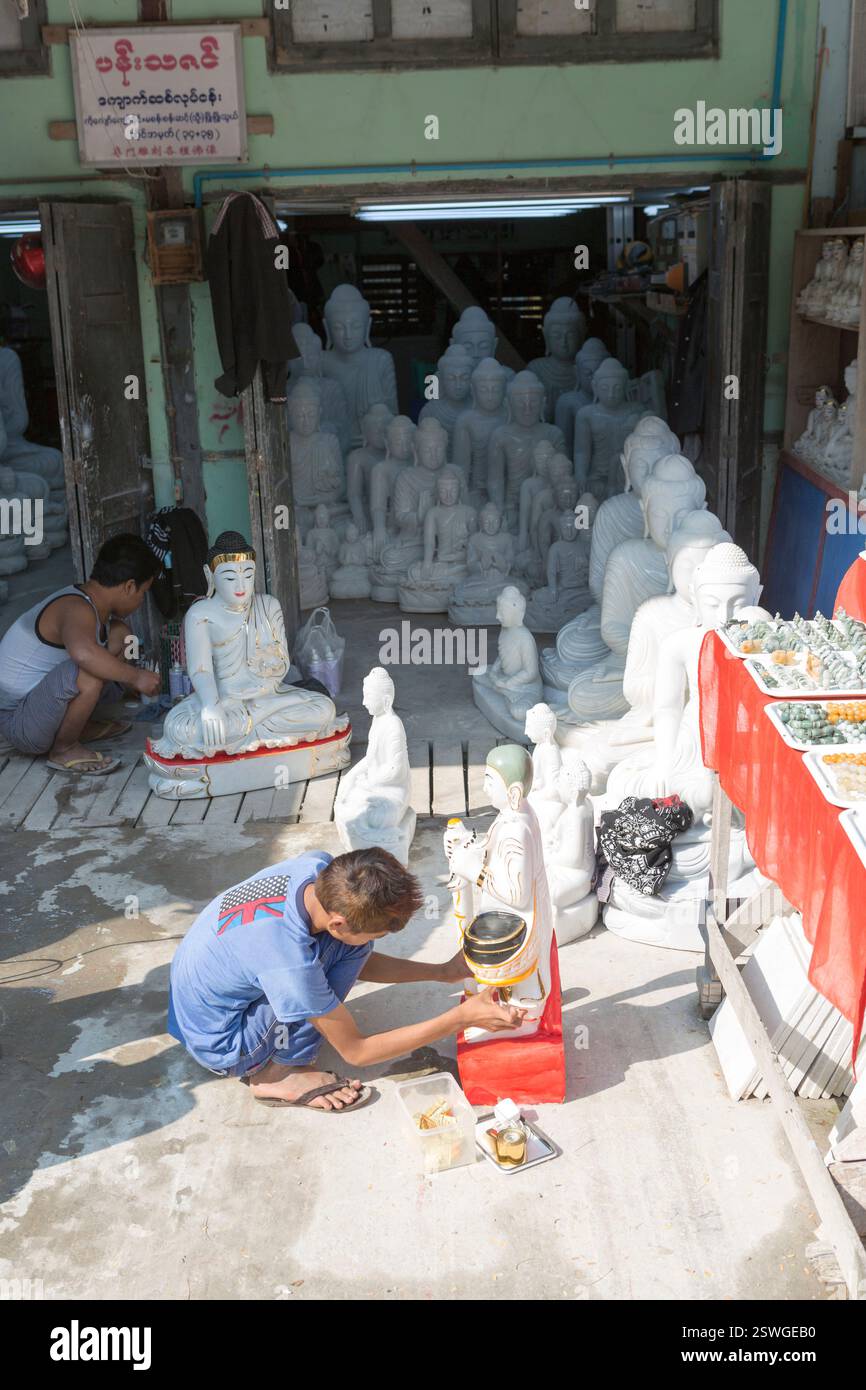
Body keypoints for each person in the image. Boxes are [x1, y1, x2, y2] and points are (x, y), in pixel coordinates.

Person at [167, 847, 525, 1112]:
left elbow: (354, 958)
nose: (375, 943)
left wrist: (442, 973)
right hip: (224, 1040)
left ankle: (297, 1030)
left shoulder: (317, 869)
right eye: (377, 935)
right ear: (338, 923)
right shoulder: (289, 961)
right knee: (324, 970)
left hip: (198, 1006)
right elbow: (357, 1051)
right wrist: (460, 1018)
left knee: (345, 952)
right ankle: (275, 1076)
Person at [0, 533, 162, 776]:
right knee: (88, 670)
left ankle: (76, 727)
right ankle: (64, 749)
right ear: (129, 586)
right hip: (19, 722)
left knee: (122, 635)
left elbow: (114, 649)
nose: (141, 600)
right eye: (143, 592)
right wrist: (136, 676)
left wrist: (130, 682)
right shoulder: (76, 607)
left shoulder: (94, 608)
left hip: (39, 707)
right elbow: (84, 654)